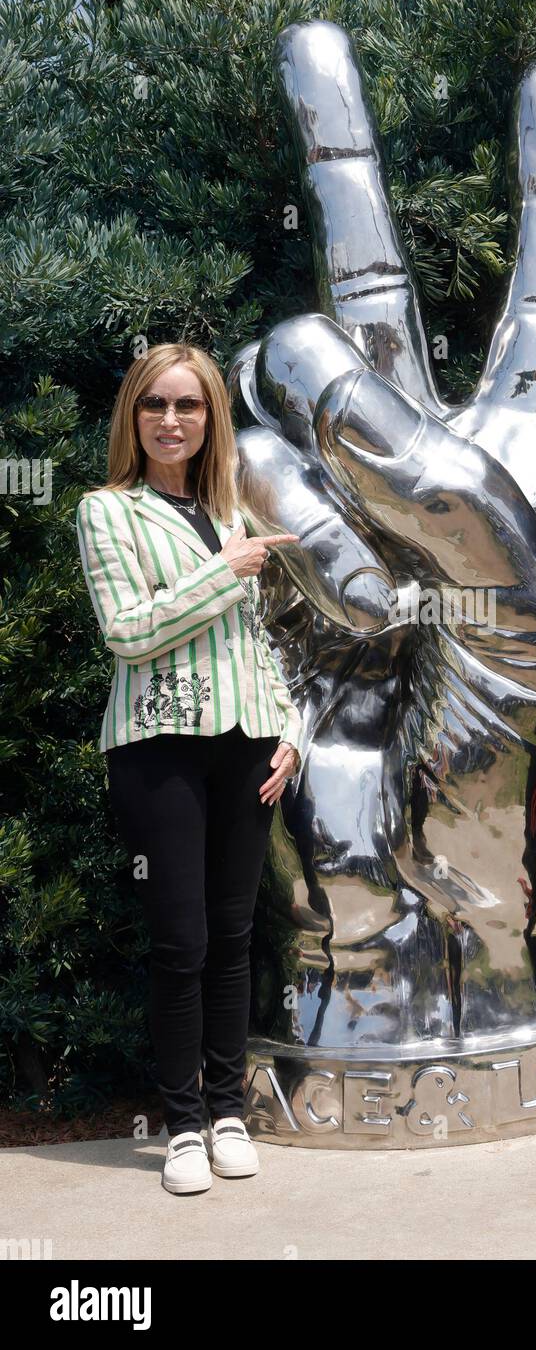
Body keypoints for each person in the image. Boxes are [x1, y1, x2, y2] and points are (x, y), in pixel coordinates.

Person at [76, 342, 304, 1193]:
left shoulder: (227, 512)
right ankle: (180, 1127)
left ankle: (229, 1112)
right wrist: (225, 570)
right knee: (182, 943)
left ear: (212, 419)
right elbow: (128, 633)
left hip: (247, 749)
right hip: (158, 749)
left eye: (190, 406)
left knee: (236, 940)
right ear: (133, 417)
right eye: (155, 406)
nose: (172, 421)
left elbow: (255, 643)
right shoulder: (108, 512)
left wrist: (292, 730)